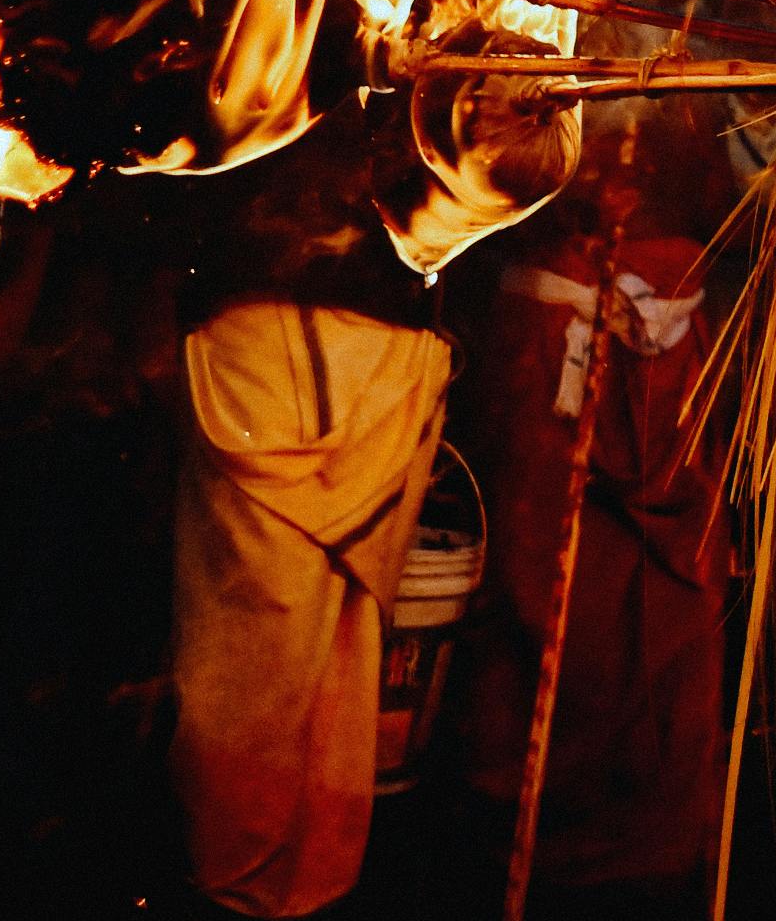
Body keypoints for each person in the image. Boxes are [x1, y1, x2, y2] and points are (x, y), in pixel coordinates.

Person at [165, 59, 458, 918]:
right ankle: (256, 869)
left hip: (345, 347)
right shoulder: (294, 20)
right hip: (281, 343)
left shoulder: (392, 30)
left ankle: (279, 871)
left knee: (314, 632)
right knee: (270, 633)